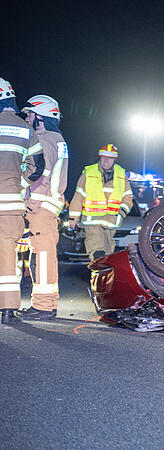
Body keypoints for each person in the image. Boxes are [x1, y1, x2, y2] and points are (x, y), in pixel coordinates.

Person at [17, 95, 69, 320]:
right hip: (46, 207)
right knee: (39, 256)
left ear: (41, 117)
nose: (27, 117)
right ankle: (44, 304)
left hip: (40, 207)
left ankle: (44, 306)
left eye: (30, 114)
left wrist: (28, 204)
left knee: (43, 257)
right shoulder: (56, 138)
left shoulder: (46, 139)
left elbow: (40, 175)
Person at [0, 77, 45, 324]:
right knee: (7, 257)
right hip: (9, 207)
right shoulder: (23, 128)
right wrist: (21, 182)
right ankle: (7, 310)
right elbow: (38, 166)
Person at [68, 145, 133, 261]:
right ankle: (97, 275)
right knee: (98, 253)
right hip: (92, 223)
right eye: (103, 158)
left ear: (114, 160)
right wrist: (73, 218)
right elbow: (78, 196)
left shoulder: (121, 176)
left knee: (108, 256)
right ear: (99, 158)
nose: (106, 161)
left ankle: (102, 278)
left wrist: (121, 213)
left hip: (111, 223)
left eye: (109, 158)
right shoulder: (88, 173)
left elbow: (127, 198)